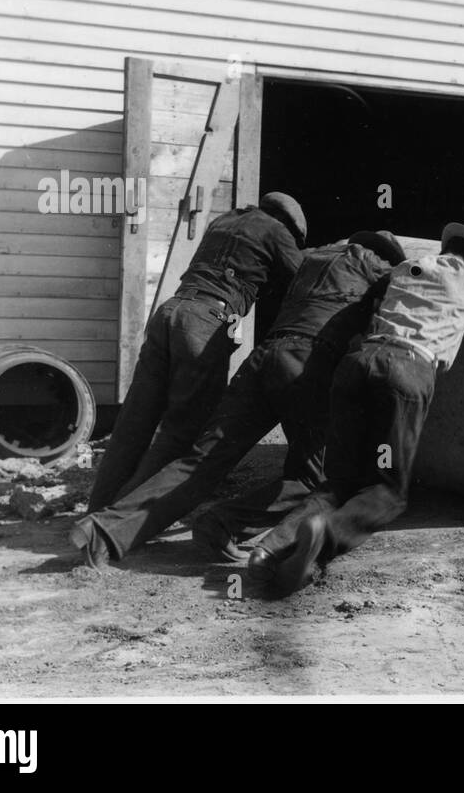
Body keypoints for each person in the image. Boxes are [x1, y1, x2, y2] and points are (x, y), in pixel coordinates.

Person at [251, 223, 464, 593]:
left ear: (446, 248)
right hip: (404, 374)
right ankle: (325, 535)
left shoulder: (408, 268)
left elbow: (366, 303)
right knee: (387, 491)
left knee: (339, 482)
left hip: (357, 366)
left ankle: (269, 550)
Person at [70, 231, 404, 569]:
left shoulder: (310, 260)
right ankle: (223, 523)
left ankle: (103, 530)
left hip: (263, 358)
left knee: (201, 462)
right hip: (308, 363)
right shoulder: (375, 266)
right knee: (313, 479)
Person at [86, 193, 306, 513]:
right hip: (205, 321)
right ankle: (113, 522)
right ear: (289, 225)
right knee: (181, 432)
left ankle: (97, 508)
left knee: (133, 423)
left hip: (170, 312)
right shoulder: (276, 231)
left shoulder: (224, 221)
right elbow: (304, 276)